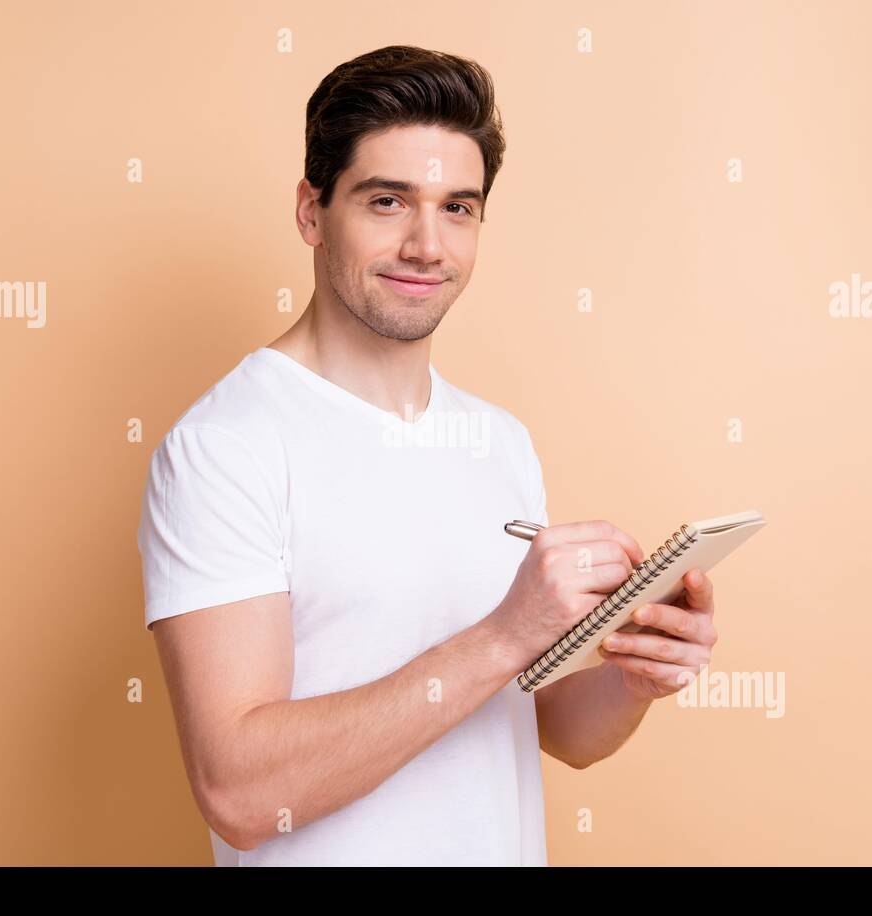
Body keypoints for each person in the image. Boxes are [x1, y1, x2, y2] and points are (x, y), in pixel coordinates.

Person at [136, 44, 719, 866]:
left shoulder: (499, 440)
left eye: (458, 208)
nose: (427, 245)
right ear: (311, 211)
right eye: (387, 201)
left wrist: (634, 677)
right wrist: (508, 633)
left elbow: (547, 727)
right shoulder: (223, 450)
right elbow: (241, 793)